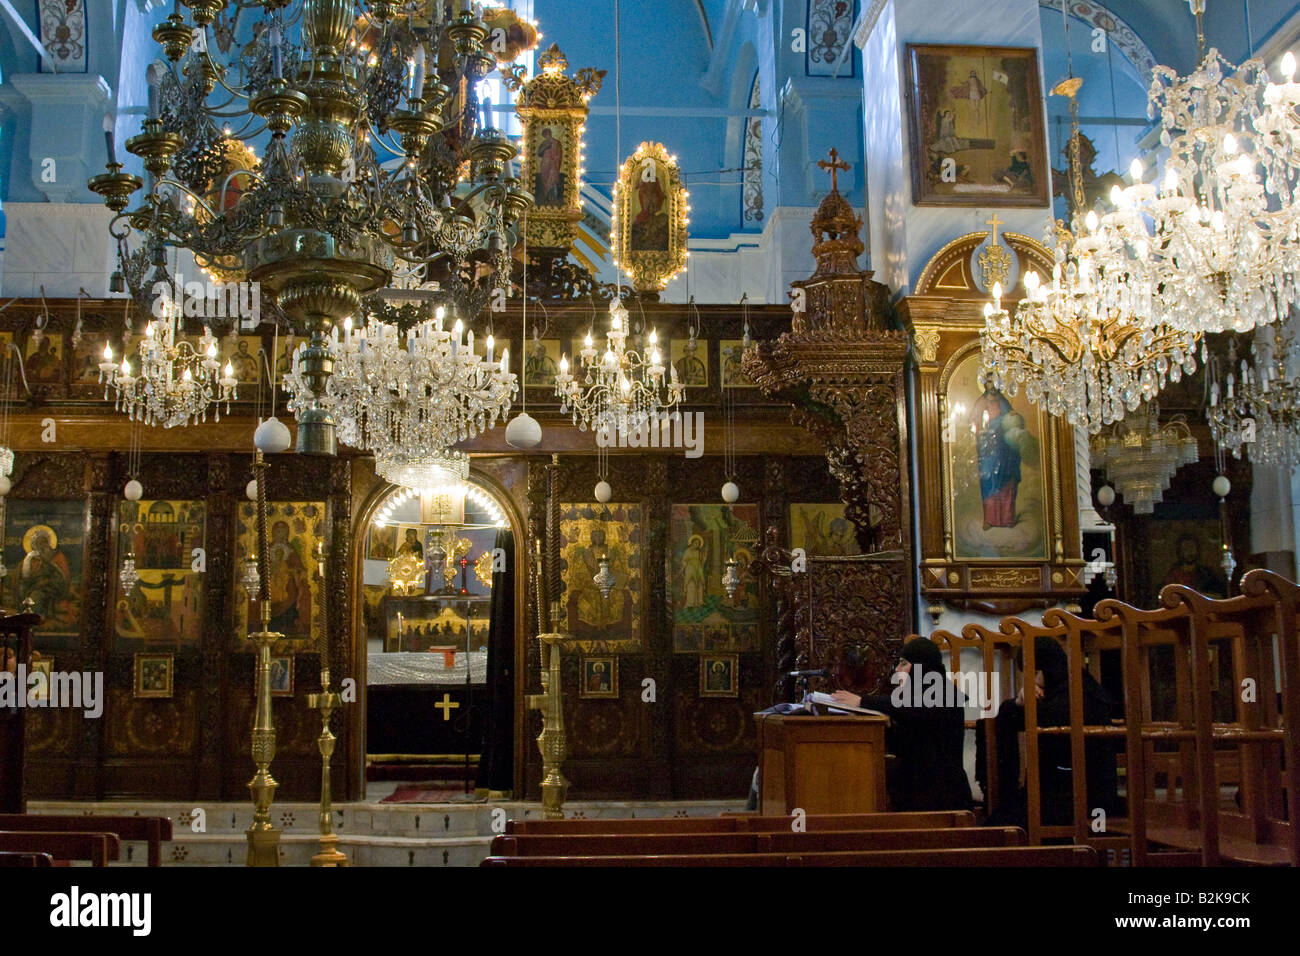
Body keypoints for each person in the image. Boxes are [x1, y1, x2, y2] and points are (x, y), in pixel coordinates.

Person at [984, 635, 1119, 828]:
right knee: (1001, 821)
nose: (1031, 680)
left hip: (1083, 796)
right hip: (1061, 790)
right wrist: (1019, 703)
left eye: (1033, 672)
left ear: (1045, 669)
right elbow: (1008, 718)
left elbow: (1043, 716)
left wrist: (1024, 704)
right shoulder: (1072, 684)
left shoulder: (1077, 693)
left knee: (1000, 827)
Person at [829, 637, 972, 812]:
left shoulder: (944, 693)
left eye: (903, 664)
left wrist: (862, 702)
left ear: (921, 666)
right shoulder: (917, 696)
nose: (897, 670)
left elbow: (911, 706)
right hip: (919, 791)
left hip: (943, 798)